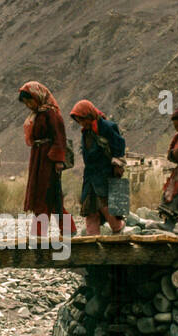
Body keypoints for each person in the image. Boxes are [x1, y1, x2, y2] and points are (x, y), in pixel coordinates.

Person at [19, 81, 75, 237]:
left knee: (49, 195)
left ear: (38, 97)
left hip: (48, 161)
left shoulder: (51, 114)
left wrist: (58, 161)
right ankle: (41, 233)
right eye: (26, 103)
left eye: (29, 101)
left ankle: (60, 230)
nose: (28, 105)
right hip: (38, 159)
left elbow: (59, 137)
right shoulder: (38, 114)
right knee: (41, 195)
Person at [69, 99, 126, 235]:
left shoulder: (107, 126)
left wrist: (117, 165)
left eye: (82, 120)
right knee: (89, 207)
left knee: (107, 206)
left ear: (89, 116)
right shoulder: (86, 132)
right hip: (90, 175)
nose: (81, 124)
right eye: (79, 121)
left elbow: (119, 144)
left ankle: (118, 231)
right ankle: (92, 237)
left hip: (105, 173)